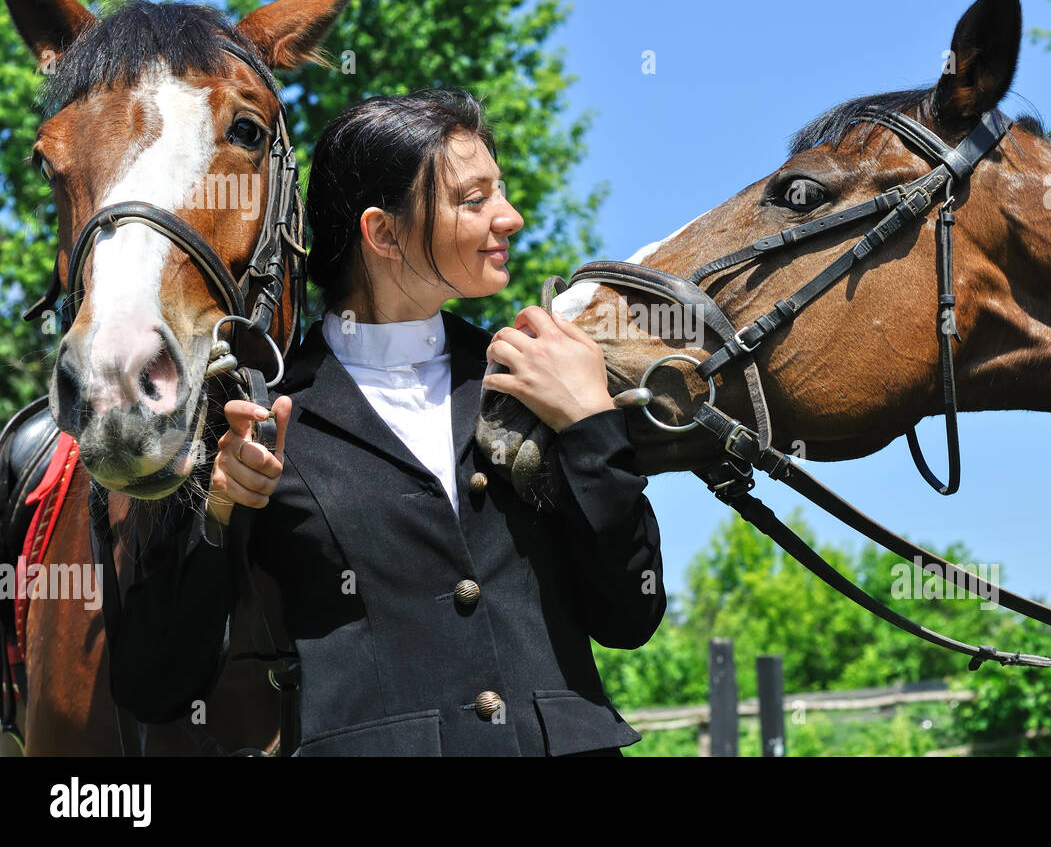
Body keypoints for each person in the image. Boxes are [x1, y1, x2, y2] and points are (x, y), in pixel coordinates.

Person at [106, 88, 666, 756]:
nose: (510, 217)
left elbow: (632, 613)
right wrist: (219, 511)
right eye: (474, 198)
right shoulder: (256, 419)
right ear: (383, 232)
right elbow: (154, 683)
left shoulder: (538, 377)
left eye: (502, 191)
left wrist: (591, 423)